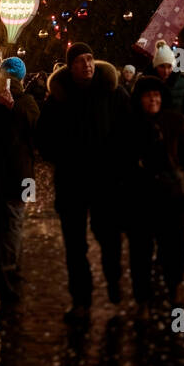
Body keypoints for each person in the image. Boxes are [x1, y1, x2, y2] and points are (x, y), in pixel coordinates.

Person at [35, 41, 131, 325]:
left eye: (90, 59)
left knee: (109, 238)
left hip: (106, 182)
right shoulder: (59, 97)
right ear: (70, 66)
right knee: (75, 246)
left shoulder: (113, 92)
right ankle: (81, 300)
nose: (86, 64)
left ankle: (113, 281)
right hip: (72, 182)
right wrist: (64, 157)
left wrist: (118, 163)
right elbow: (43, 138)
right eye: (80, 60)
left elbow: (128, 131)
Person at [126, 75, 184, 319]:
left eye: (156, 94)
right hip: (140, 200)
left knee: (173, 247)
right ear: (140, 99)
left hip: (170, 200)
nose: (153, 99)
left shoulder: (175, 121)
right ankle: (142, 299)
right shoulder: (130, 125)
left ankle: (175, 288)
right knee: (140, 253)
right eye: (148, 95)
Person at [0, 56, 40, 315]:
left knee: (2, 222)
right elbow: (36, 134)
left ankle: (5, 270)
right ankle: (9, 269)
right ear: (22, 77)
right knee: (14, 220)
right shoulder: (26, 102)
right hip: (21, 173)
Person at [150, 41, 184, 132]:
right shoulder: (148, 83)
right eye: (162, 66)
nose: (166, 71)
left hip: (176, 133)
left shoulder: (183, 84)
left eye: (169, 67)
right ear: (155, 66)